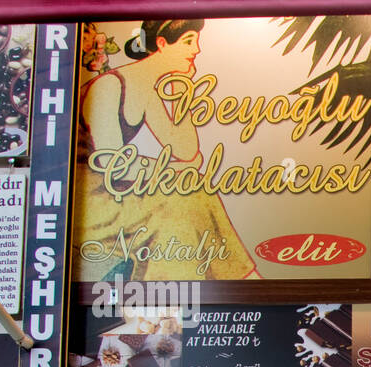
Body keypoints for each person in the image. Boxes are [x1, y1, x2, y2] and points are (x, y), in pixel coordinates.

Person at [73, 19, 258, 281]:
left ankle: (241, 283)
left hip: (117, 194)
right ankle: (242, 281)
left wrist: (179, 93)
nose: (197, 50)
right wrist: (168, 174)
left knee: (193, 189)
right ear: (161, 44)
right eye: (188, 41)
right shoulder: (110, 85)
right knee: (179, 201)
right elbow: (111, 165)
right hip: (92, 202)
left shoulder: (149, 85)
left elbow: (189, 155)